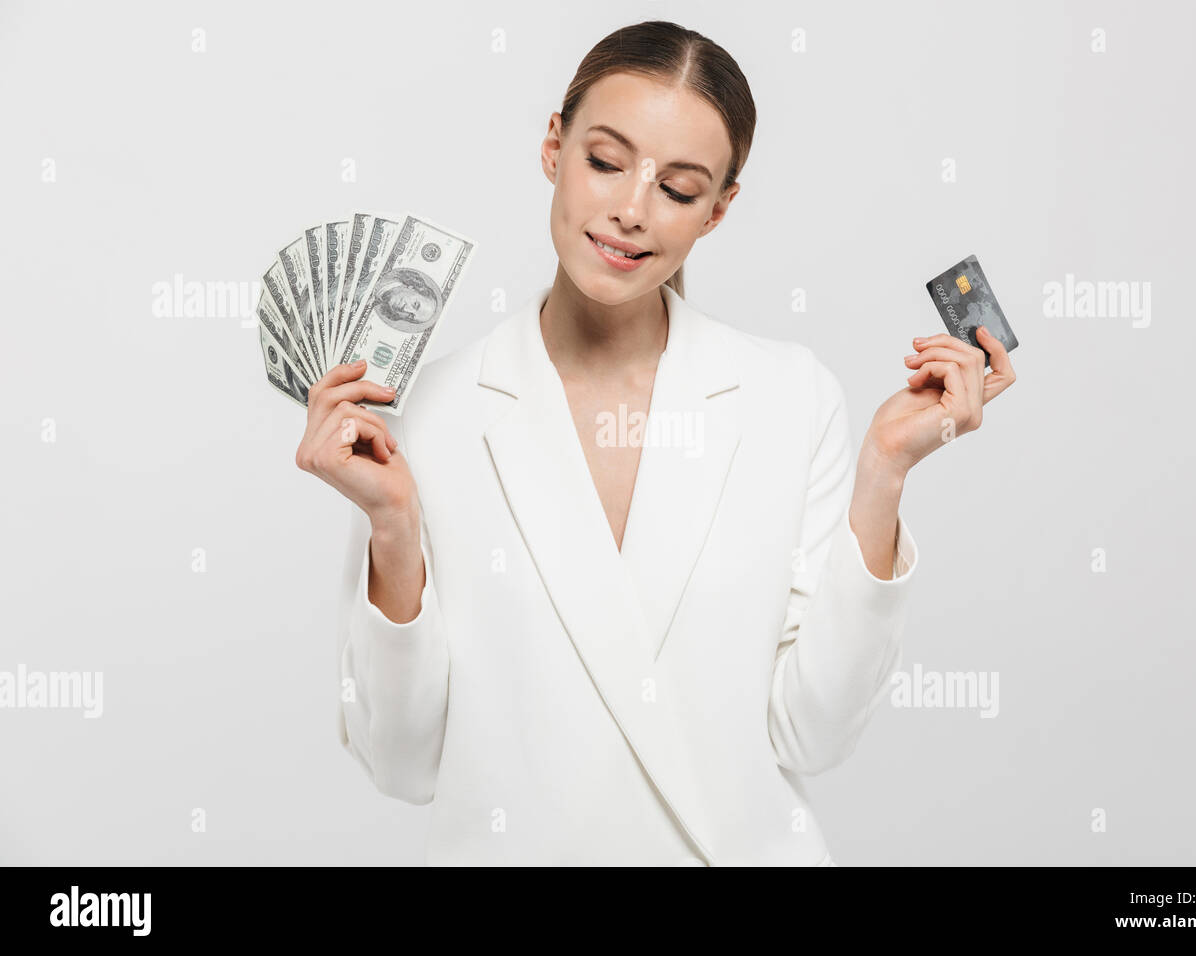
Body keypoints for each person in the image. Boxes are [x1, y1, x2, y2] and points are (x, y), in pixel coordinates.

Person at [296, 20, 1016, 866]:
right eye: (605, 162)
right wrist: (392, 528)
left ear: (718, 210)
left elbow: (812, 736)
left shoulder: (788, 398)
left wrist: (884, 473)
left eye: (677, 189)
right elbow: (402, 764)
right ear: (553, 148)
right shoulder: (430, 412)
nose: (630, 212)